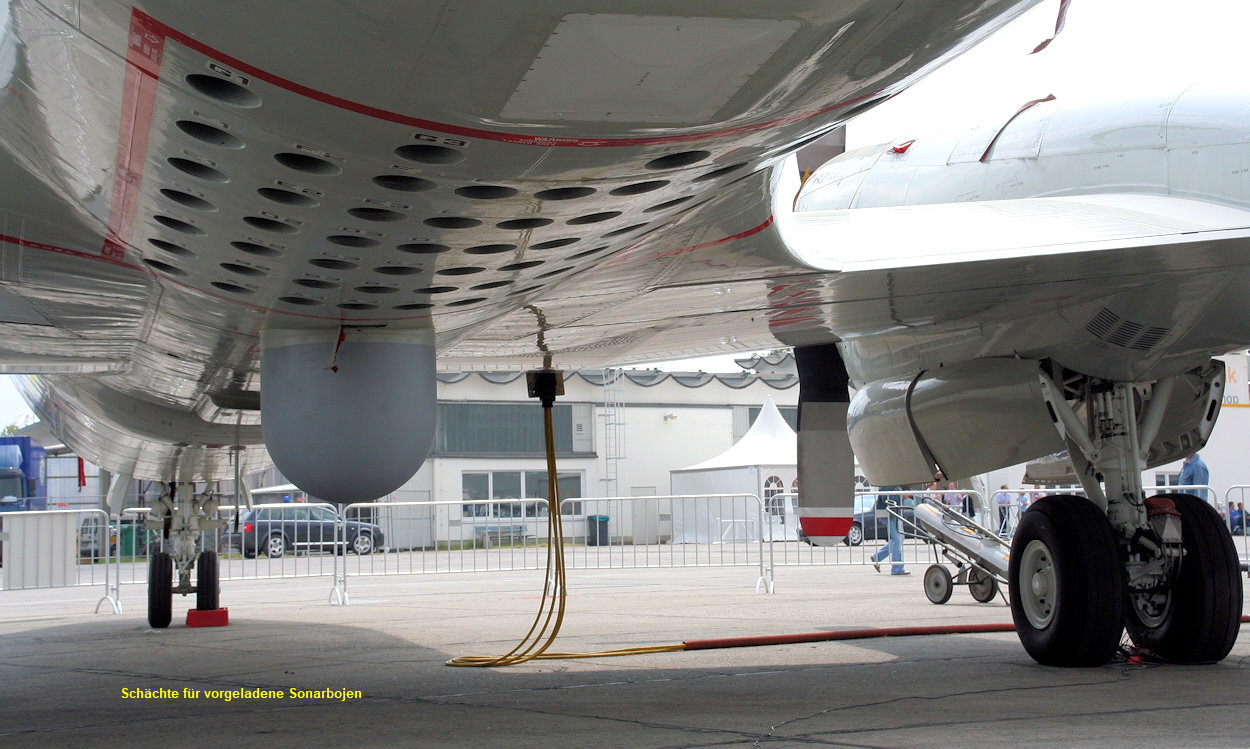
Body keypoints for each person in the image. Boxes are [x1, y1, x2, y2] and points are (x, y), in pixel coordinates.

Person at [870, 491, 909, 575]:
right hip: (890, 513)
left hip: (893, 512)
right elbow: (887, 497)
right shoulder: (888, 485)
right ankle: (896, 567)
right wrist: (901, 496)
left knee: (899, 539)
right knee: (897, 539)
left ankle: (878, 556)